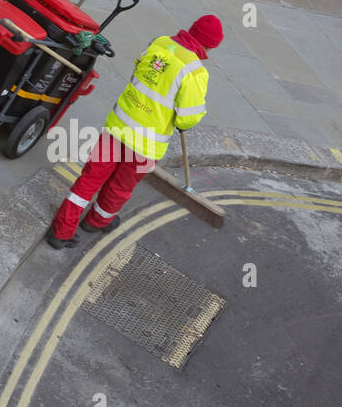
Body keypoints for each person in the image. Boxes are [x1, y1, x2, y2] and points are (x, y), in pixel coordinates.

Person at [46, 14, 224, 249]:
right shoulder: (196, 72)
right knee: (121, 186)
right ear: (211, 44)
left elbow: (139, 68)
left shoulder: (159, 42)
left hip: (118, 126)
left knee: (89, 179)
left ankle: (61, 231)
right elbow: (188, 118)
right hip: (147, 144)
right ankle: (97, 221)